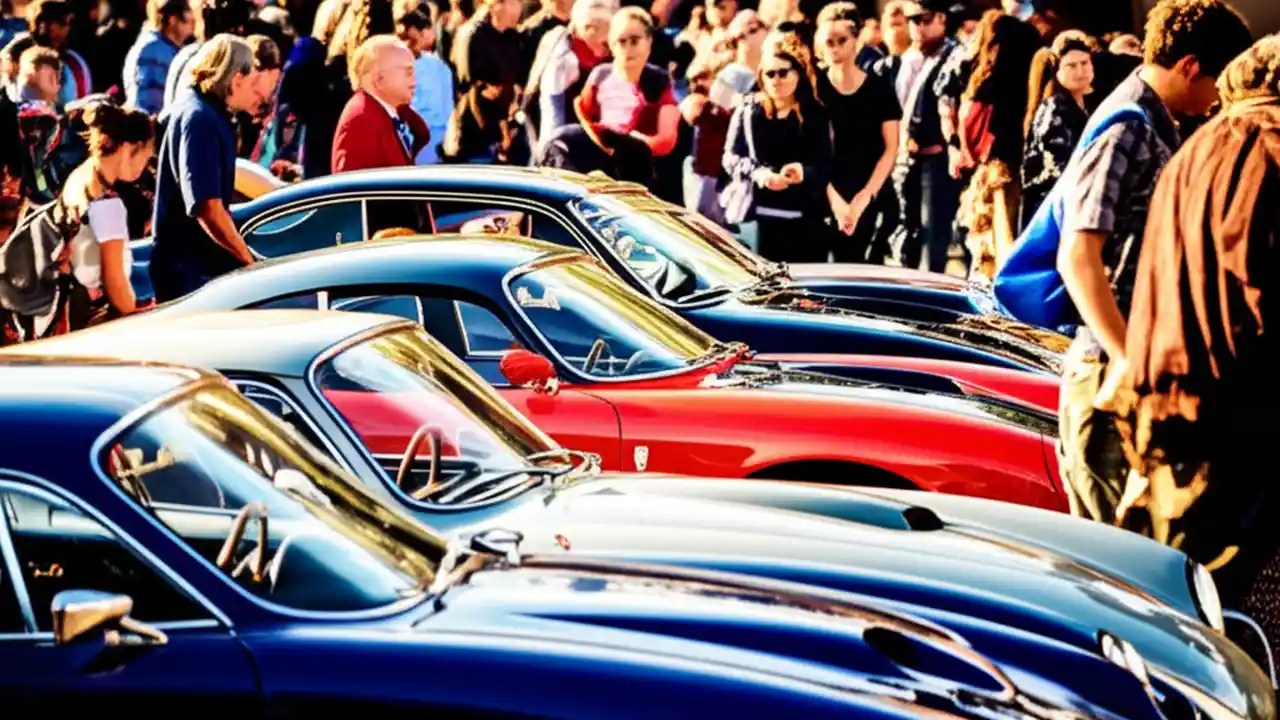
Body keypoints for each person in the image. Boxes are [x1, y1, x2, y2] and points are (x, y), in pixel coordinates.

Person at [1108, 32, 1280, 677]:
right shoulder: (1265, 148)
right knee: (1239, 615)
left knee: (1191, 601)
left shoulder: (1196, 149)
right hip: (1248, 410)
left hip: (1174, 404)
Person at [1052, 0, 1253, 525]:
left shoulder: (1155, 121)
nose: (1216, 101)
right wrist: (1126, 358)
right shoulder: (1129, 125)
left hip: (1123, 368)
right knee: (1112, 557)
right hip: (1106, 375)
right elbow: (1077, 255)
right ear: (1189, 67)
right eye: (1214, 83)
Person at [3, 101, 152, 341]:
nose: (144, 167)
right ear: (128, 148)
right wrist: (138, 314)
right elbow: (116, 287)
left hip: (61, 309)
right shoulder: (108, 205)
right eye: (145, 156)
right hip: (87, 320)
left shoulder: (80, 176)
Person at [149, 34, 272, 302]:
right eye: (252, 83)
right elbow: (208, 207)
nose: (257, 93)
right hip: (189, 274)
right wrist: (247, 260)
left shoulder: (203, 112)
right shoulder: (200, 119)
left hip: (192, 269)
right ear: (236, 79)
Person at [721, 32, 831, 263]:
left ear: (798, 73)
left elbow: (825, 164)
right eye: (770, 74)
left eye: (783, 72)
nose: (776, 80)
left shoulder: (815, 114)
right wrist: (759, 173)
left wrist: (802, 172)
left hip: (804, 221)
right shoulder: (750, 110)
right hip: (758, 218)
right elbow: (730, 157)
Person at [815, 2, 900, 263]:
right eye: (829, 42)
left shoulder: (878, 88)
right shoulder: (815, 89)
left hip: (870, 190)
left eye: (842, 40)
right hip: (825, 192)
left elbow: (891, 148)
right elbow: (810, 147)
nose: (836, 48)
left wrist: (865, 195)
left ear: (856, 42)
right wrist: (835, 199)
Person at [331, 34, 427, 172]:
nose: (414, 81)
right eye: (408, 73)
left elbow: (422, 134)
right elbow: (351, 188)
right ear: (379, 80)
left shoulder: (389, 110)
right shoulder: (361, 119)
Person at [122, 0, 193, 114]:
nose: (191, 27)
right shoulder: (155, 49)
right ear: (172, 20)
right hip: (151, 126)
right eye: (188, 21)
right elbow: (148, 102)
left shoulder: (160, 47)